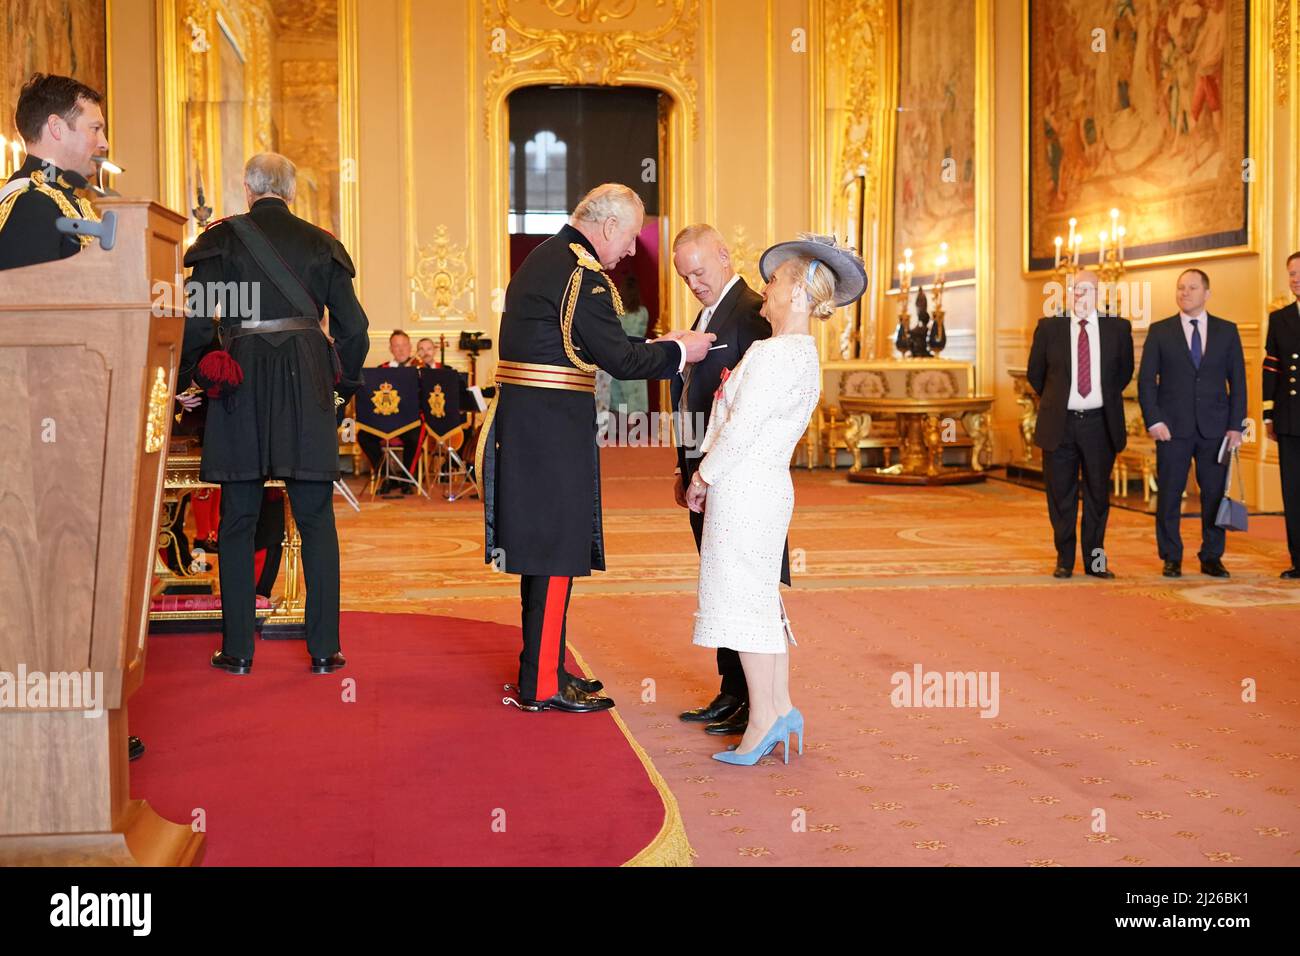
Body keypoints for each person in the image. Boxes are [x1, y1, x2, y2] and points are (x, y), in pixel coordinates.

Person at [478, 183, 715, 713]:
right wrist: (683, 349)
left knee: (545, 552)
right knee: (555, 551)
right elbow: (622, 362)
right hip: (550, 431)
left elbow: (598, 345)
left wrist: (661, 346)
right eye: (631, 236)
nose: (632, 249)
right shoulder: (580, 276)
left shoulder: (552, 259)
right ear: (608, 227)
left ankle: (546, 668)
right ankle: (541, 685)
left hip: (536, 426)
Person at [0, 73, 150, 763]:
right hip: (43, 432)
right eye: (92, 126)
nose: (103, 140)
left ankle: (94, 715)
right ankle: (63, 739)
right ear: (53, 130)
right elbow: (38, 332)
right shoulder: (31, 206)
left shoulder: (68, 200)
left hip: (78, 421)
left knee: (82, 569)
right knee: (54, 571)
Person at [180, 152, 369, 675]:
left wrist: (197, 376)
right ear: (291, 192)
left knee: (238, 520)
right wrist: (339, 391)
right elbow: (354, 329)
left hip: (241, 382)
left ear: (247, 189)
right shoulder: (321, 244)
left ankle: (238, 651)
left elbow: (196, 322)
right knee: (315, 518)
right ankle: (324, 650)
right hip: (306, 382)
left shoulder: (218, 242)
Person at [685, 234, 866, 765]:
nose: (765, 291)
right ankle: (779, 708)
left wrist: (703, 477)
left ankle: (764, 718)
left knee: (747, 604)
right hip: (758, 487)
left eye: (775, 282)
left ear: (800, 295)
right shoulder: (797, 353)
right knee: (760, 601)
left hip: (744, 487)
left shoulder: (773, 354)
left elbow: (740, 431)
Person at [669, 223, 785, 739]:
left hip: (735, 479)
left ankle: (749, 699)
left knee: (742, 584)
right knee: (721, 582)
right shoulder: (709, 312)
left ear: (723, 255)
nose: (693, 282)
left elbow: (755, 409)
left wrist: (710, 470)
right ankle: (730, 691)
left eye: (699, 270)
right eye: (684, 276)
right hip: (705, 472)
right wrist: (685, 465)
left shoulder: (751, 312)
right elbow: (695, 395)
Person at [1138, 268, 1247, 578]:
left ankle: (1212, 556)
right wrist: (1154, 419)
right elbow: (1147, 381)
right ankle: (1171, 556)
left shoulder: (1227, 331)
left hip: (1216, 429)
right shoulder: (1160, 331)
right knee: (1169, 494)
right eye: (1181, 288)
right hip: (1171, 429)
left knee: (1214, 494)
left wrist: (1236, 426)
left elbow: (1237, 382)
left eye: (1192, 288)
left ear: (1207, 294)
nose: (1185, 293)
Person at [1027, 269, 1135, 578]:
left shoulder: (1117, 329)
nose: (1080, 295)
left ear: (1098, 294)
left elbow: (1122, 374)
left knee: (1098, 497)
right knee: (1060, 496)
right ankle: (1064, 559)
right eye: (1075, 289)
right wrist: (1059, 400)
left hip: (1100, 425)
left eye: (1087, 290)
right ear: (1067, 293)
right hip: (1059, 425)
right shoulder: (1049, 328)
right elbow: (1036, 374)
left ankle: (1095, 561)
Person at [1263, 251, 1300, 579]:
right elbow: (1271, 368)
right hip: (1290, 419)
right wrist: (1268, 414)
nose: (1295, 279)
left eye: (1299, 273)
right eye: (1291, 273)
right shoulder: (1280, 318)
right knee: (1293, 491)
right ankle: (1299, 560)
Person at [359, 330, 423, 493]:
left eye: (403, 345)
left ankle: (407, 479)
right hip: (384, 421)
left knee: (415, 435)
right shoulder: (382, 370)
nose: (401, 350)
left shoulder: (419, 369)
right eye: (396, 346)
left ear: (410, 347)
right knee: (364, 436)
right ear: (391, 349)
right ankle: (387, 476)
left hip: (408, 422)